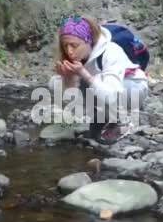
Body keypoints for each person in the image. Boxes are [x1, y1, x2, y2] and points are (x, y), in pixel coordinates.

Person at [49, 15, 149, 144]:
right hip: (102, 87)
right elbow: (69, 99)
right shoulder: (73, 57)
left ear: (88, 41)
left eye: (74, 45)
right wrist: (68, 79)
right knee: (55, 83)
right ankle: (102, 117)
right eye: (65, 46)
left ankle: (122, 121)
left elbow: (111, 94)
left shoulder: (111, 51)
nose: (69, 51)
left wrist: (84, 74)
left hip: (132, 88)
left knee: (96, 83)